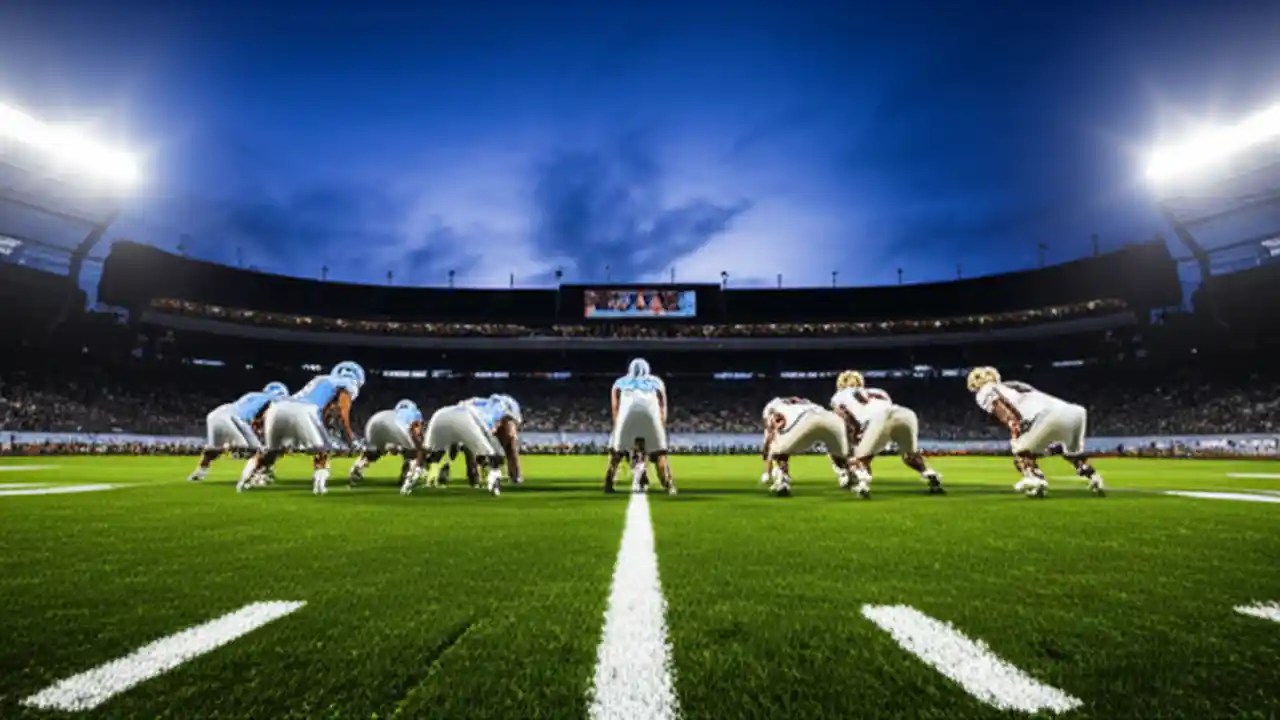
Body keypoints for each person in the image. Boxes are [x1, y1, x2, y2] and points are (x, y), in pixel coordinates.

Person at [967, 366, 1105, 498]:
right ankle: (1094, 478)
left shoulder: (984, 391)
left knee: (1019, 449)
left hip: (1048, 417)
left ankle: (1035, 479)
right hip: (1075, 413)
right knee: (1069, 451)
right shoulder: (1016, 386)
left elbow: (1004, 411)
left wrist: (1014, 430)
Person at [239, 361, 365, 495]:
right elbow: (341, 410)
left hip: (278, 408)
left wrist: (262, 422)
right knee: (323, 450)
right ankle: (319, 487)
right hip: (305, 411)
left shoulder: (320, 379)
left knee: (270, 451)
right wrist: (349, 436)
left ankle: (243, 481)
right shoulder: (348, 384)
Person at [831, 370, 943, 497]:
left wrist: (856, 447)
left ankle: (863, 484)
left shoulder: (839, 396)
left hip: (878, 420)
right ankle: (930, 474)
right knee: (910, 455)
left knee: (857, 458)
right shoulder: (878, 391)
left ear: (840, 385)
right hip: (905, 414)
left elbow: (845, 421)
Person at [405, 393, 522, 496]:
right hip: (468, 419)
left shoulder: (476, 402)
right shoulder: (499, 411)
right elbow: (510, 439)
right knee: (494, 457)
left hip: (441, 414)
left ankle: (411, 480)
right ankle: (494, 484)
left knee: (426, 450)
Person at [187, 381, 289, 482]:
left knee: (214, 448)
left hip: (217, 414)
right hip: (234, 418)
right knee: (260, 452)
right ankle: (258, 475)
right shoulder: (274, 399)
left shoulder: (252, 395)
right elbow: (265, 416)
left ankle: (200, 472)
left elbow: (249, 413)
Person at [604, 358, 676, 495]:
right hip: (651, 418)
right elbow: (663, 407)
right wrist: (660, 430)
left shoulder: (619, 383)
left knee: (616, 454)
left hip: (626, 417)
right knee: (660, 454)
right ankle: (668, 485)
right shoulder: (657, 382)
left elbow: (615, 407)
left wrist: (617, 430)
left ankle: (609, 483)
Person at [760, 396, 851, 497]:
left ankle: (782, 481)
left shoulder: (772, 407)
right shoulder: (806, 402)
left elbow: (770, 436)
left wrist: (766, 454)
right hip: (828, 417)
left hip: (803, 420)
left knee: (778, 449)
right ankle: (848, 475)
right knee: (837, 450)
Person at [348, 398, 424, 487]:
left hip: (375, 421)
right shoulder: (415, 413)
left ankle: (359, 465)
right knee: (412, 451)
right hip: (396, 428)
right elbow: (416, 432)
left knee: (374, 451)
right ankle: (407, 472)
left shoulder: (395, 412)